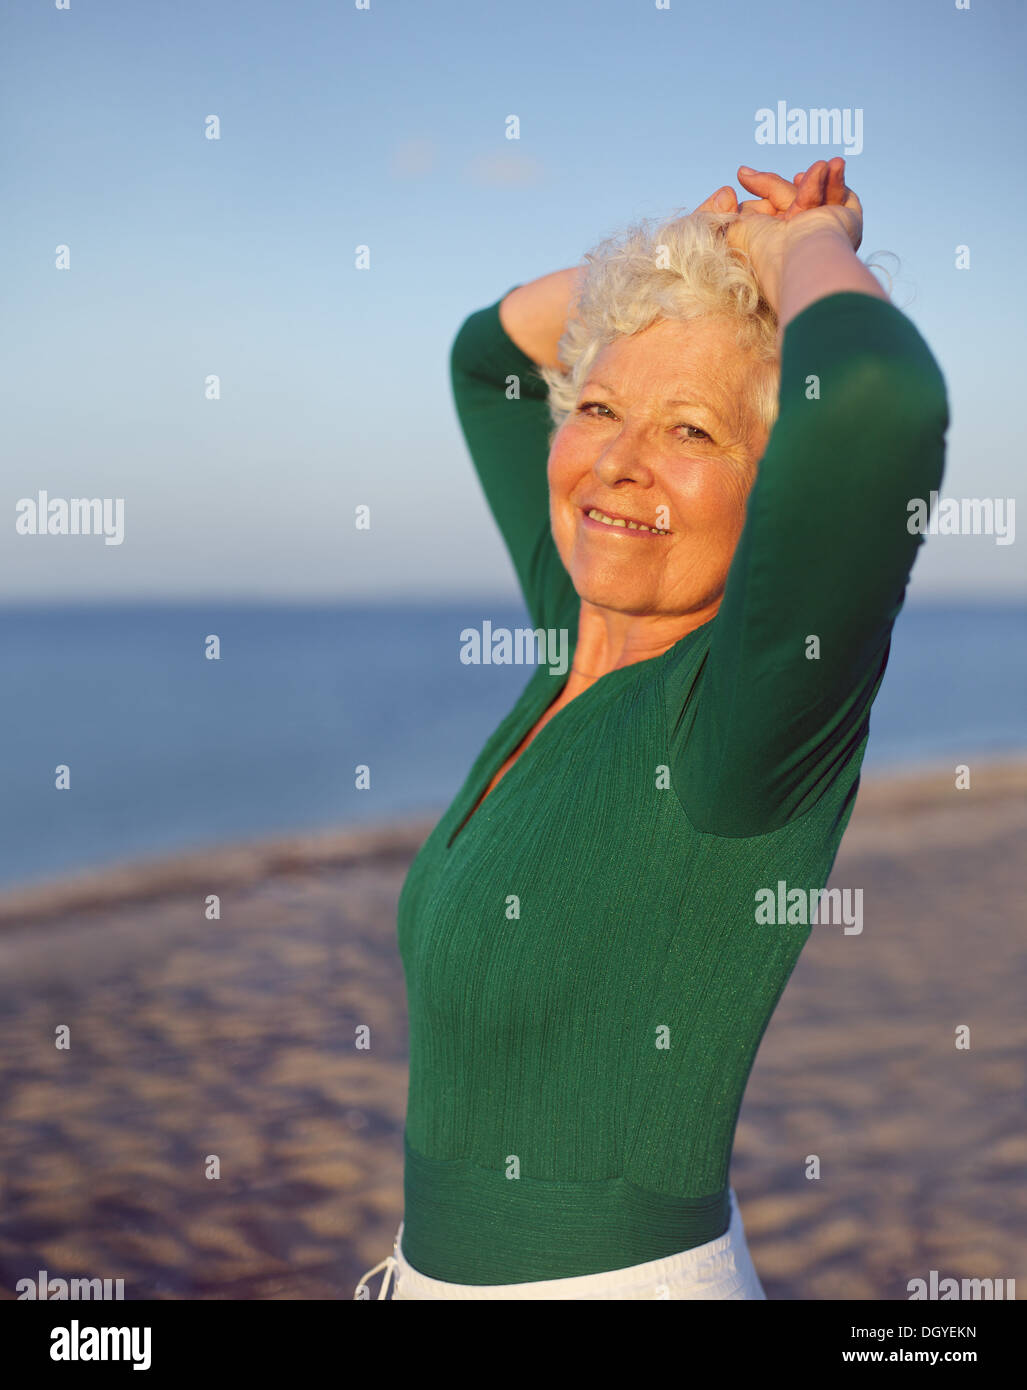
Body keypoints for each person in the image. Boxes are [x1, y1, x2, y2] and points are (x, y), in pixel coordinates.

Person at [354, 158, 948, 1300]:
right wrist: (681, 253)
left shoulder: (744, 723)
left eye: (690, 430)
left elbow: (881, 398)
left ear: (775, 492)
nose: (618, 462)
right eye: (596, 406)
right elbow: (484, 357)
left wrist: (796, 247)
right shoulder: (575, 627)